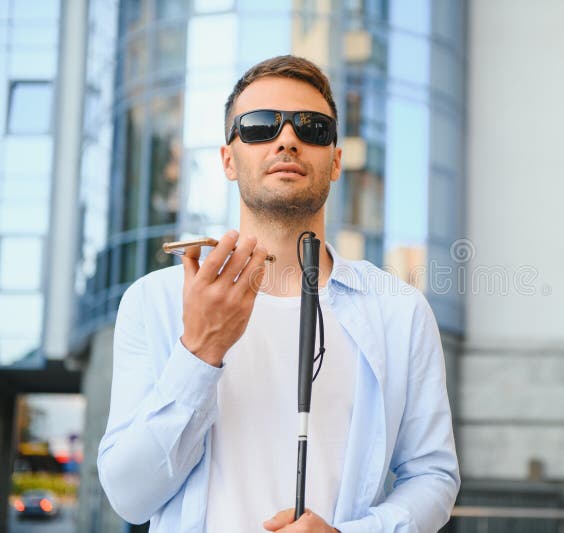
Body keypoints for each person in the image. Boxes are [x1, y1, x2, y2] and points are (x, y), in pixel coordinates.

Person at [97, 55, 460, 533]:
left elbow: (432, 475)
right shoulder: (155, 301)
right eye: (260, 126)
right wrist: (200, 351)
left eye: (312, 128)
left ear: (335, 161)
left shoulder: (399, 311)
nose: (287, 139)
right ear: (228, 160)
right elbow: (129, 497)